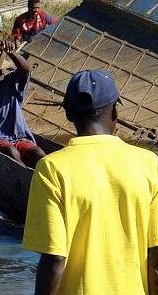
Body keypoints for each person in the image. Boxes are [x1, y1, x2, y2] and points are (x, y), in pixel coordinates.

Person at [23, 69, 158, 295]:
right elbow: (155, 258)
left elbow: (54, 259)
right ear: (115, 111)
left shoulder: (52, 169)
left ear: (68, 114)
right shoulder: (150, 164)